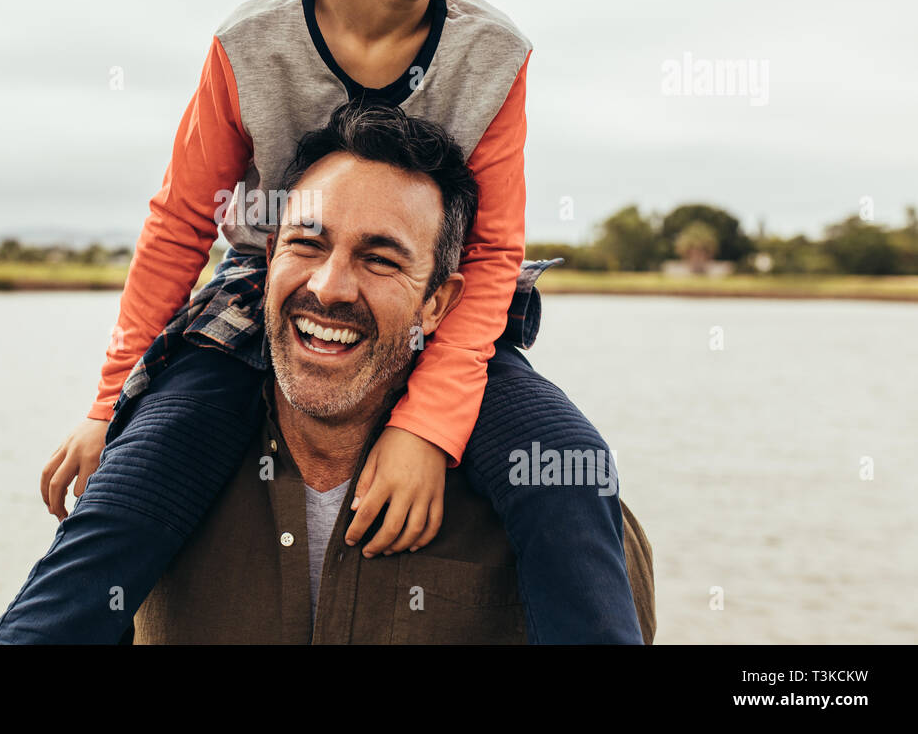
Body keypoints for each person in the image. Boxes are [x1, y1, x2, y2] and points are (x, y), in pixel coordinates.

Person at [0, 0, 643, 643]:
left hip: (444, 318)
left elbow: (488, 259)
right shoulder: (248, 47)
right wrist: (112, 404)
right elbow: (182, 226)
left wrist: (425, 429)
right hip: (259, 307)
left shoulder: (497, 58)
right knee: (127, 500)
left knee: (569, 469)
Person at [127, 104, 655, 642]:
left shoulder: (552, 502)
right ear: (268, 259)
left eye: (380, 260)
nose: (329, 288)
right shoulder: (150, 480)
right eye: (307, 244)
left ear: (437, 303)